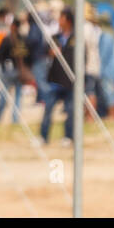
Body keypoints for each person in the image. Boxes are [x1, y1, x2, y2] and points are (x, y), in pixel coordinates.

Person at [41, 8, 76, 144]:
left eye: (61, 18)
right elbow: (44, 50)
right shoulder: (55, 38)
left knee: (70, 111)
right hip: (55, 79)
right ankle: (43, 136)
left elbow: (81, 58)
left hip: (70, 81)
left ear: (67, 20)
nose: (59, 21)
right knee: (48, 108)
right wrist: (50, 52)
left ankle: (68, 137)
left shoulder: (76, 38)